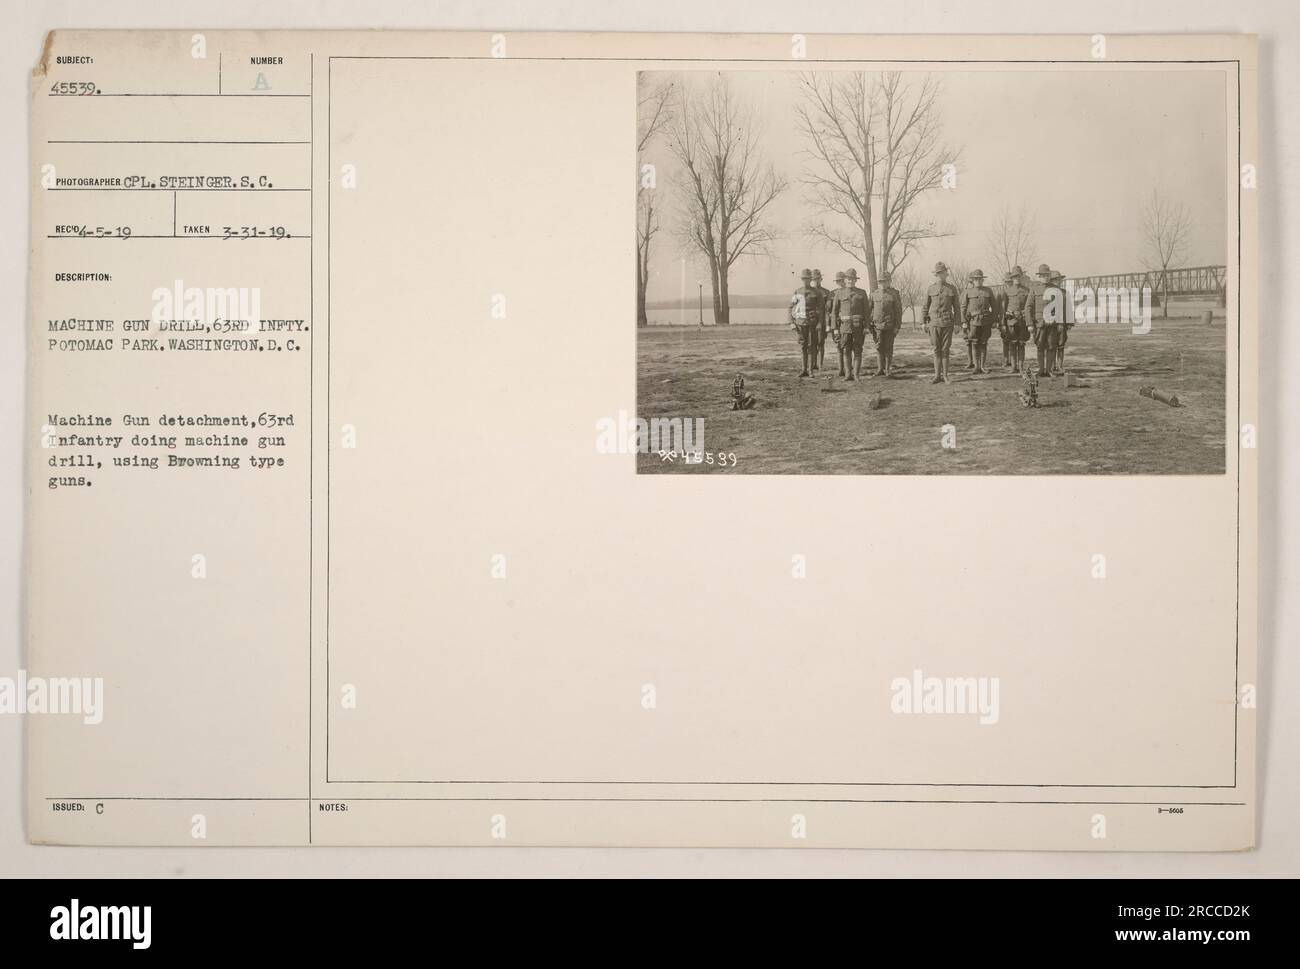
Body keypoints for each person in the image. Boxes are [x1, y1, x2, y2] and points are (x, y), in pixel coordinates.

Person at [921, 261, 960, 384]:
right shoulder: (930, 289)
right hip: (934, 323)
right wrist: (923, 322)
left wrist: (958, 323)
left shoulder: (952, 289)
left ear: (946, 274)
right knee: (936, 349)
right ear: (935, 275)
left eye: (942, 273)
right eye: (938, 273)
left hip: (947, 322)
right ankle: (937, 376)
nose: (940, 275)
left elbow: (957, 308)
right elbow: (925, 307)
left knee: (945, 349)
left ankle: (946, 376)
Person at [831, 268, 869, 380]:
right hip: (844, 327)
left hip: (858, 327)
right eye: (848, 279)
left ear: (855, 280)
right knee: (846, 350)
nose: (850, 281)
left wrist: (866, 326)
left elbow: (867, 311)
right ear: (845, 279)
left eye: (852, 279)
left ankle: (856, 375)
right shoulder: (839, 293)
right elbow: (834, 312)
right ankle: (848, 375)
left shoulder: (862, 293)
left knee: (857, 350)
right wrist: (835, 328)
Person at [959, 269, 998, 375]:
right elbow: (963, 307)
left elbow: (994, 306)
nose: (978, 281)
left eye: (980, 279)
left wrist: (994, 320)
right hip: (973, 322)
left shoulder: (988, 291)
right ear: (973, 280)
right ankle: (976, 367)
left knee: (984, 343)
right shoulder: (968, 292)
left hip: (986, 321)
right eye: (976, 279)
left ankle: (983, 366)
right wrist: (963, 321)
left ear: (983, 280)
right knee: (975, 343)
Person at [787, 268, 824, 378]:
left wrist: (819, 323)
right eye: (803, 279)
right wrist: (791, 323)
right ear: (801, 279)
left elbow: (821, 309)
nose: (805, 281)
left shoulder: (817, 292)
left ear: (810, 279)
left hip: (812, 323)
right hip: (800, 323)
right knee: (803, 346)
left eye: (807, 279)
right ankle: (804, 370)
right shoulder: (797, 292)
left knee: (812, 346)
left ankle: (811, 370)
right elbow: (790, 308)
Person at [1025, 263, 1059, 378]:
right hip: (1039, 323)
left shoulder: (1055, 289)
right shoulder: (1034, 289)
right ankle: (1040, 370)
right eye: (1043, 275)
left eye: (1047, 275)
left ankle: (1049, 370)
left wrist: (1059, 323)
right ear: (1039, 276)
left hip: (1052, 323)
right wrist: (1029, 324)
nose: (1045, 277)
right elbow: (1028, 307)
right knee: (1039, 346)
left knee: (1051, 346)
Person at [869, 269, 904, 377]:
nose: (883, 284)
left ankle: (888, 370)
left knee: (888, 347)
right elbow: (869, 310)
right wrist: (869, 325)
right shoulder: (873, 294)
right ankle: (880, 369)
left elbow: (898, 311)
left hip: (890, 325)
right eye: (881, 282)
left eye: (885, 281)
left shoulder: (894, 294)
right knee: (879, 347)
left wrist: (897, 326)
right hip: (877, 326)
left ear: (889, 282)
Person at [999, 266, 1031, 374]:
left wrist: (1029, 321)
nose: (1017, 278)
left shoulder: (1027, 291)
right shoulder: (1007, 292)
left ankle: (1021, 367)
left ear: (1022, 277)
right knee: (1012, 344)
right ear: (1012, 278)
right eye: (1015, 277)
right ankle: (1013, 367)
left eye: (1019, 276)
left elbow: (1030, 307)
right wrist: (1003, 323)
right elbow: (1003, 309)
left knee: (1021, 344)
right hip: (1011, 321)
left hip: (1023, 321)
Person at [811, 269, 833, 372]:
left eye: (818, 279)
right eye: (814, 279)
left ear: (821, 279)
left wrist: (827, 323)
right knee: (811, 343)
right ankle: (813, 364)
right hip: (811, 321)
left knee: (820, 342)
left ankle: (820, 364)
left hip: (822, 320)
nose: (816, 281)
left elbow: (828, 309)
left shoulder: (826, 292)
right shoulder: (809, 292)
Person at [1051, 269, 1071, 375]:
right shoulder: (1047, 292)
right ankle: (1052, 366)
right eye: (1055, 280)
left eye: (1059, 280)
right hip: (1050, 324)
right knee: (1051, 344)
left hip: (1062, 323)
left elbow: (1068, 309)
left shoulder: (1065, 293)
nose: (1058, 282)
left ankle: (1060, 366)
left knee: (1061, 344)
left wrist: (1069, 323)